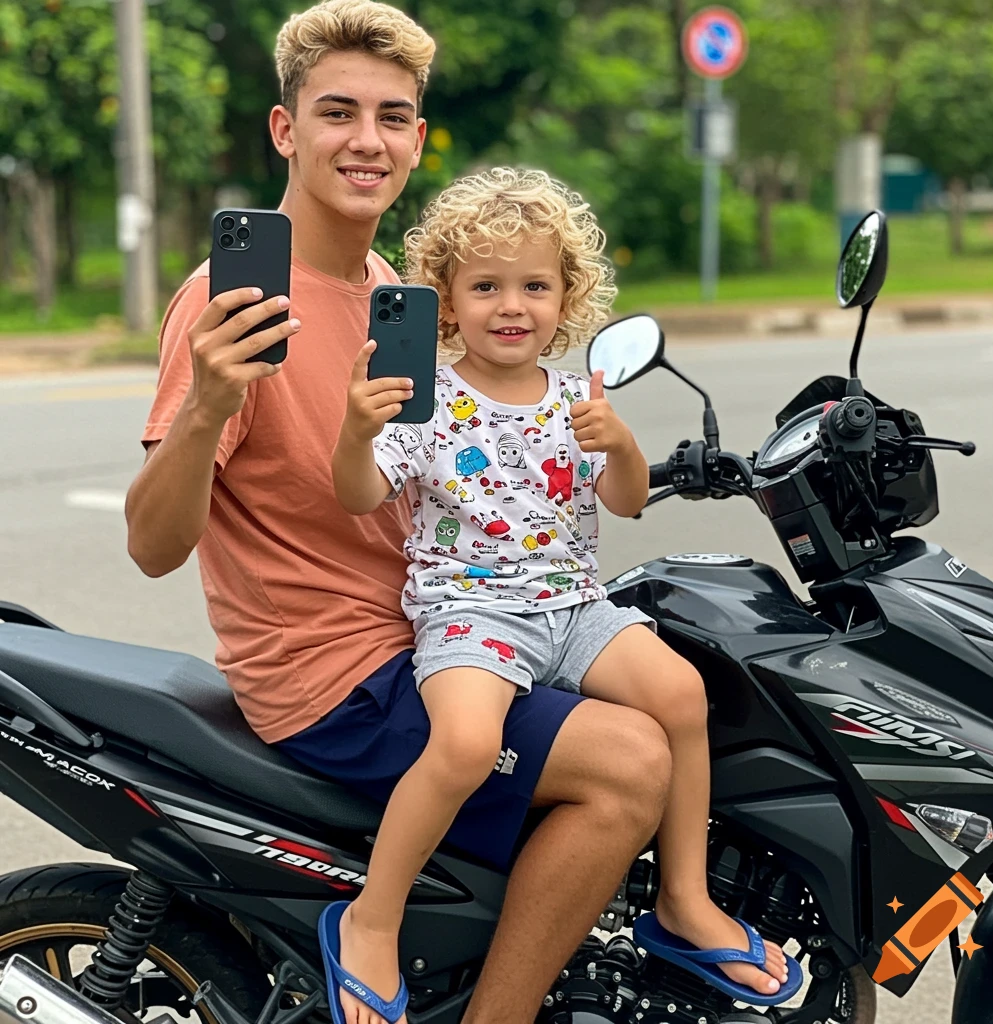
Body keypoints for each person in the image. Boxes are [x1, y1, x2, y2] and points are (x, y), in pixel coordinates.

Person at [124, 3, 786, 1022]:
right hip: (334, 669)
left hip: (439, 619)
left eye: (392, 117)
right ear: (284, 130)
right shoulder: (229, 302)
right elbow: (152, 547)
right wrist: (210, 400)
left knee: (679, 682)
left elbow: (456, 471)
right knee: (628, 765)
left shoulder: (398, 294)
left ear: (417, 140)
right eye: (336, 113)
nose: (366, 140)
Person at [324, 167, 791, 1024]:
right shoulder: (427, 404)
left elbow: (626, 499)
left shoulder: (579, 398)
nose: (513, 306)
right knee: (465, 748)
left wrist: (620, 444)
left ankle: (683, 899)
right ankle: (372, 915)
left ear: (567, 296)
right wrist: (358, 431)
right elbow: (359, 495)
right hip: (472, 613)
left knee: (682, 695)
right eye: (487, 286)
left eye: (535, 286)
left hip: (575, 609)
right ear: (446, 298)